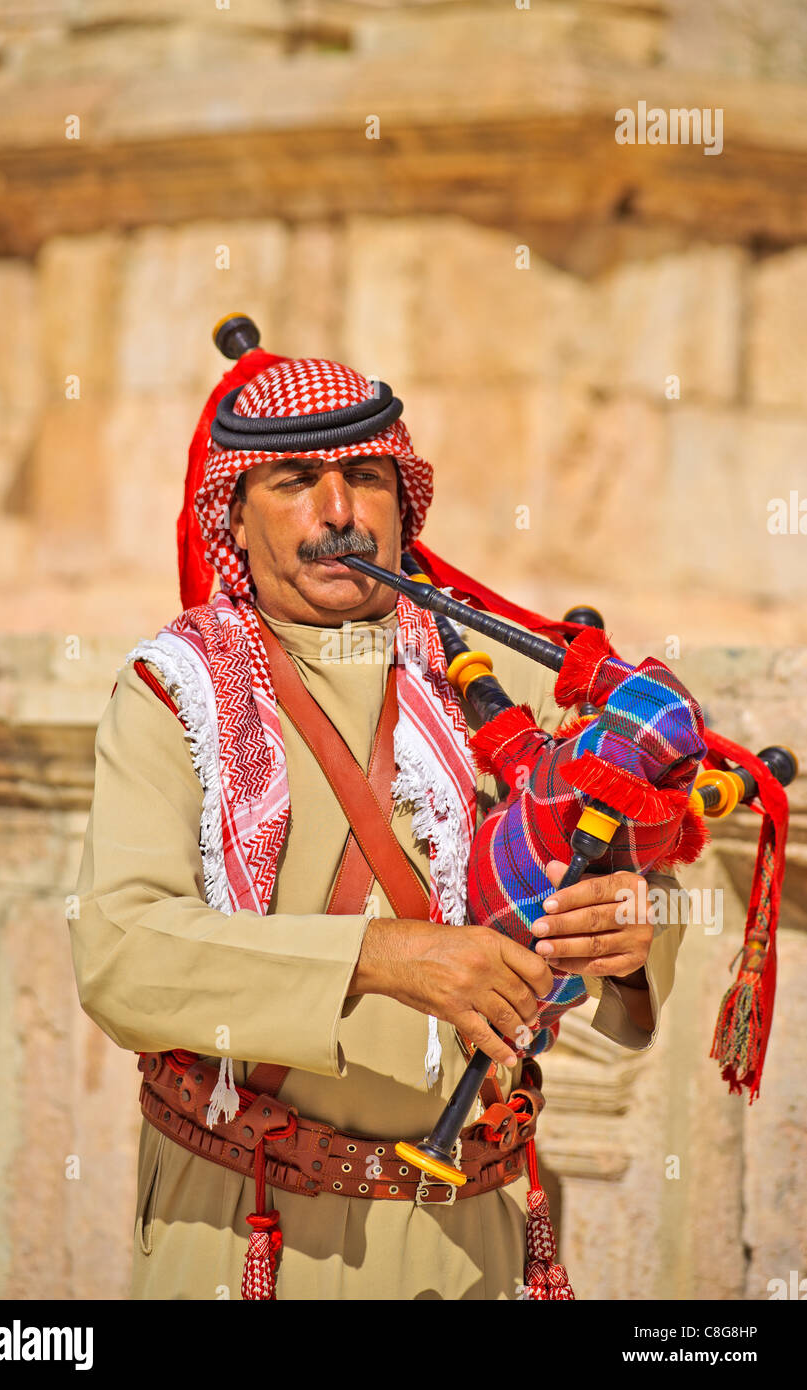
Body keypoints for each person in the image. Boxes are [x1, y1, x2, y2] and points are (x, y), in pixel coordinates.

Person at [69, 345, 688, 1301]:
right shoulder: (174, 692)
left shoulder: (500, 688)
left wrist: (629, 930)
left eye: (365, 477)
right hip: (244, 1225)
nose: (338, 513)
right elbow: (121, 953)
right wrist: (384, 957)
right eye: (294, 481)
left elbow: (633, 877)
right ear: (234, 510)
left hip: (473, 1232)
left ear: (403, 504)